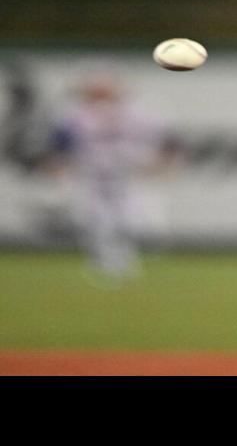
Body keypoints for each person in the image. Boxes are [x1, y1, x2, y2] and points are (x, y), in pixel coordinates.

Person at [49, 73, 177, 287]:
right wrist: (59, 165)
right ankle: (105, 262)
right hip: (91, 176)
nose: (102, 93)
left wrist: (161, 164)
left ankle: (124, 260)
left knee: (130, 219)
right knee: (95, 220)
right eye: (97, 88)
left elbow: (167, 140)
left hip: (128, 176)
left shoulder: (137, 113)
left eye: (106, 88)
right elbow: (61, 143)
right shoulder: (76, 115)